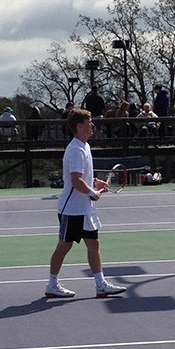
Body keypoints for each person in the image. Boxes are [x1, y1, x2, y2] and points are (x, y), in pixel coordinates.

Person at [44, 108, 128, 299]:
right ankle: (52, 284)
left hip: (85, 210)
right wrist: (93, 192)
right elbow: (75, 181)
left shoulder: (85, 147)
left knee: (93, 245)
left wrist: (95, 183)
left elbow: (83, 177)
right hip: (72, 210)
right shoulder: (75, 150)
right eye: (89, 123)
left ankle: (100, 285)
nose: (92, 126)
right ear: (79, 126)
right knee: (64, 247)